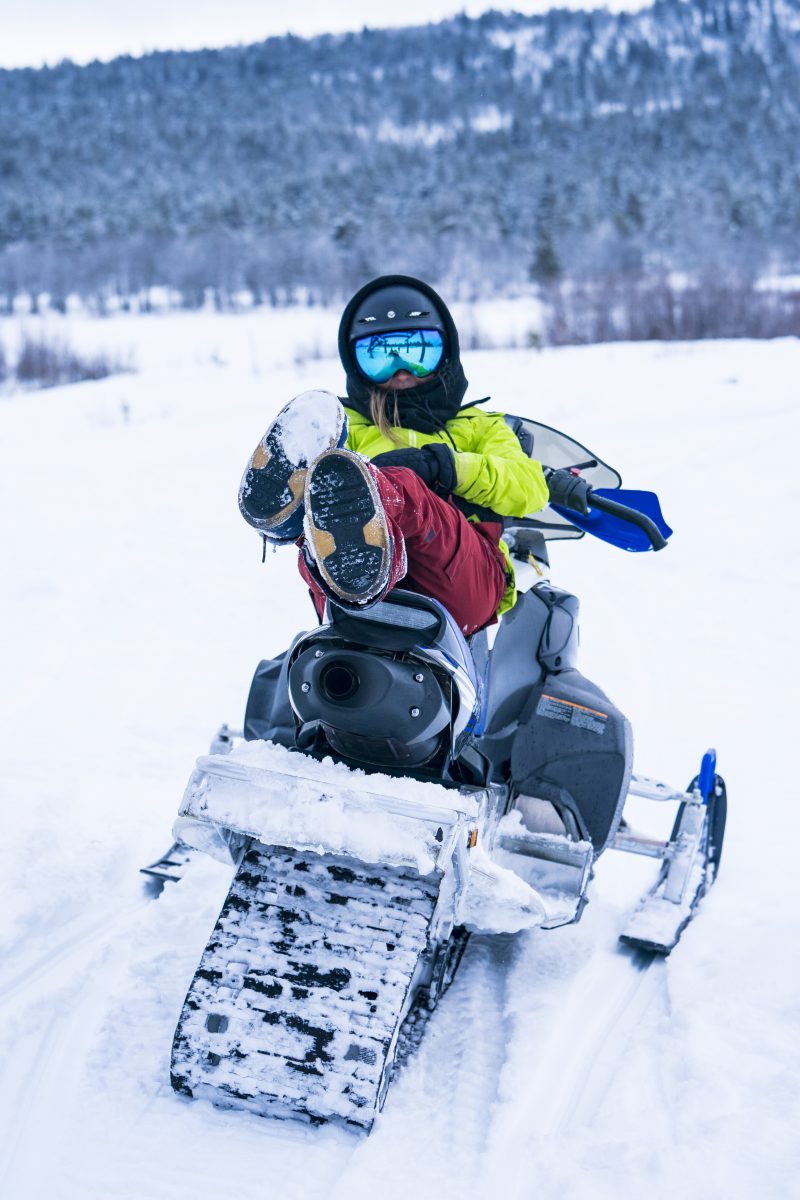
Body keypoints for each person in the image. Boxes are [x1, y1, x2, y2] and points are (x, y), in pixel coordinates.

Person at [239, 274, 551, 636]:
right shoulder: (343, 426)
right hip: (353, 595)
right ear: (354, 363)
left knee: (391, 485)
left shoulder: (480, 426)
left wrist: (444, 467)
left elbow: (530, 487)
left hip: (463, 587)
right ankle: (298, 519)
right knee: (330, 482)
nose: (401, 371)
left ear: (445, 354)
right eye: (380, 356)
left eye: (418, 353)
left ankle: (367, 499)